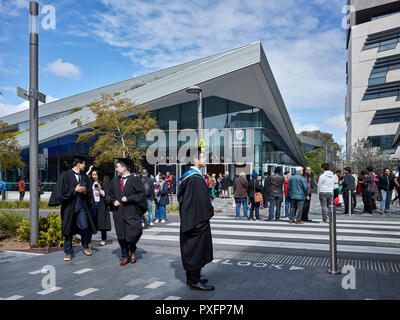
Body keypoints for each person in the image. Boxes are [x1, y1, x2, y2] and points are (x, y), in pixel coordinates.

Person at [177, 150, 215, 291]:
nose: (204, 158)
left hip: (191, 220)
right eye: (202, 157)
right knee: (196, 250)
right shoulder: (195, 179)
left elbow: (184, 201)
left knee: (193, 250)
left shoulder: (190, 177)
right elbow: (199, 202)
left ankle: (192, 277)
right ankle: (195, 280)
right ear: (195, 160)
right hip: (196, 222)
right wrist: (209, 211)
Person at [48, 155, 97, 261]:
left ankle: (85, 245)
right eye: (84, 163)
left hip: (81, 207)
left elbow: (89, 192)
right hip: (69, 207)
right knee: (68, 230)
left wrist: (84, 191)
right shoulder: (65, 175)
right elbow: (60, 193)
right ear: (79, 163)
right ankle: (68, 252)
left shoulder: (84, 176)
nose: (85, 166)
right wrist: (74, 190)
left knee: (85, 227)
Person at [107, 158, 147, 266]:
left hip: (131, 212)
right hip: (118, 212)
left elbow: (141, 194)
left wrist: (129, 198)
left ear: (124, 168)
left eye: (117, 167)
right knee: (121, 235)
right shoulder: (114, 181)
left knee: (132, 233)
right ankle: (125, 256)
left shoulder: (135, 180)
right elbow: (109, 195)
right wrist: (113, 201)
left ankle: (132, 250)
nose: (116, 169)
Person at [88, 167, 111, 246]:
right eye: (93, 174)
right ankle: (88, 239)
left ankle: (103, 239)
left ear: (99, 175)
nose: (94, 176)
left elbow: (106, 195)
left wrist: (100, 190)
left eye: (95, 175)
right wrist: (89, 170)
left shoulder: (104, 183)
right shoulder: (90, 183)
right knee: (91, 222)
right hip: (93, 204)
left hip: (101, 204)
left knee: (102, 222)